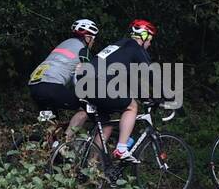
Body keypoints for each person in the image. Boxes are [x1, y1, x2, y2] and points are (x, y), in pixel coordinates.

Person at [90, 19, 157, 163]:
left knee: (106, 125)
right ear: (144, 36)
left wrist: (145, 96)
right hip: (100, 83)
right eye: (150, 38)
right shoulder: (134, 47)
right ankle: (121, 148)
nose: (150, 43)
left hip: (85, 83)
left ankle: (90, 166)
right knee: (132, 106)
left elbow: (128, 79)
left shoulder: (118, 46)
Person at [28, 18, 98, 141]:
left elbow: (66, 69)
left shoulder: (64, 44)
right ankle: (65, 143)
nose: (93, 42)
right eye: (93, 39)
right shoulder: (83, 50)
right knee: (86, 108)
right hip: (51, 86)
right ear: (88, 37)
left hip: (35, 86)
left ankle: (48, 148)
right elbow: (83, 78)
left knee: (51, 125)